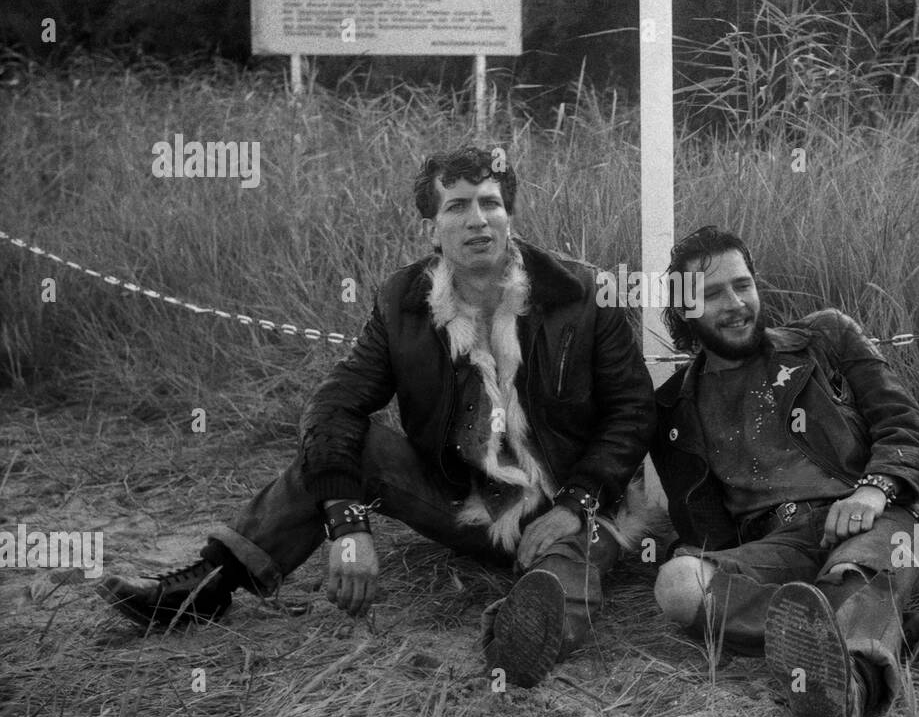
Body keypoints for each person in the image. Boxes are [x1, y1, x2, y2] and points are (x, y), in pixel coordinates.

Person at [98, 146, 656, 688]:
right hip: (464, 502)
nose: (477, 220)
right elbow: (335, 405)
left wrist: (576, 503)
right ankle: (208, 587)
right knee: (350, 442)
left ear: (510, 214)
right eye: (456, 207)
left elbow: (631, 411)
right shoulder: (402, 301)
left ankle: (523, 637)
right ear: (430, 228)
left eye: (489, 203)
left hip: (573, 505)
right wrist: (346, 519)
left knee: (564, 570)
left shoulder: (582, 293)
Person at [649, 226, 919, 717]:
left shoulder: (824, 338)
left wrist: (874, 489)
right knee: (677, 584)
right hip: (778, 546)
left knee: (856, 573)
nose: (736, 303)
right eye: (712, 293)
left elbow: (907, 428)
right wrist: (704, 558)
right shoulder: (674, 406)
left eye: (742, 285)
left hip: (873, 519)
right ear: (684, 310)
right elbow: (706, 531)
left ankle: (853, 686)